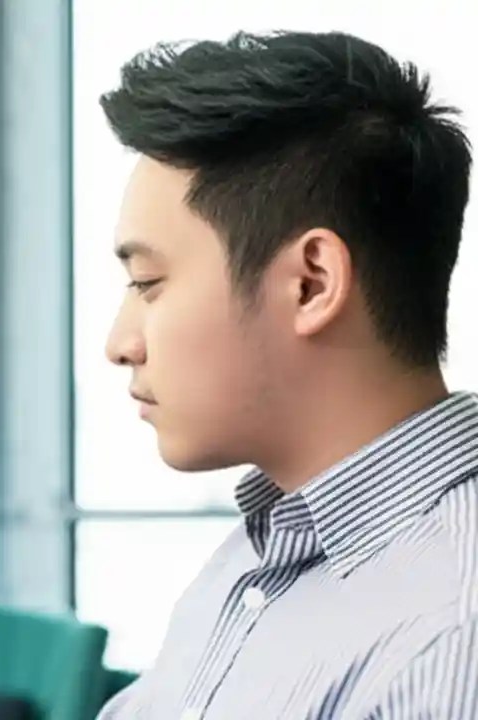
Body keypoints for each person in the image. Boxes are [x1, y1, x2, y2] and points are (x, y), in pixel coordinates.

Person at [96, 30, 477, 719]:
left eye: (148, 283)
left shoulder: (446, 635)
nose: (119, 345)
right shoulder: (262, 557)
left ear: (311, 284)